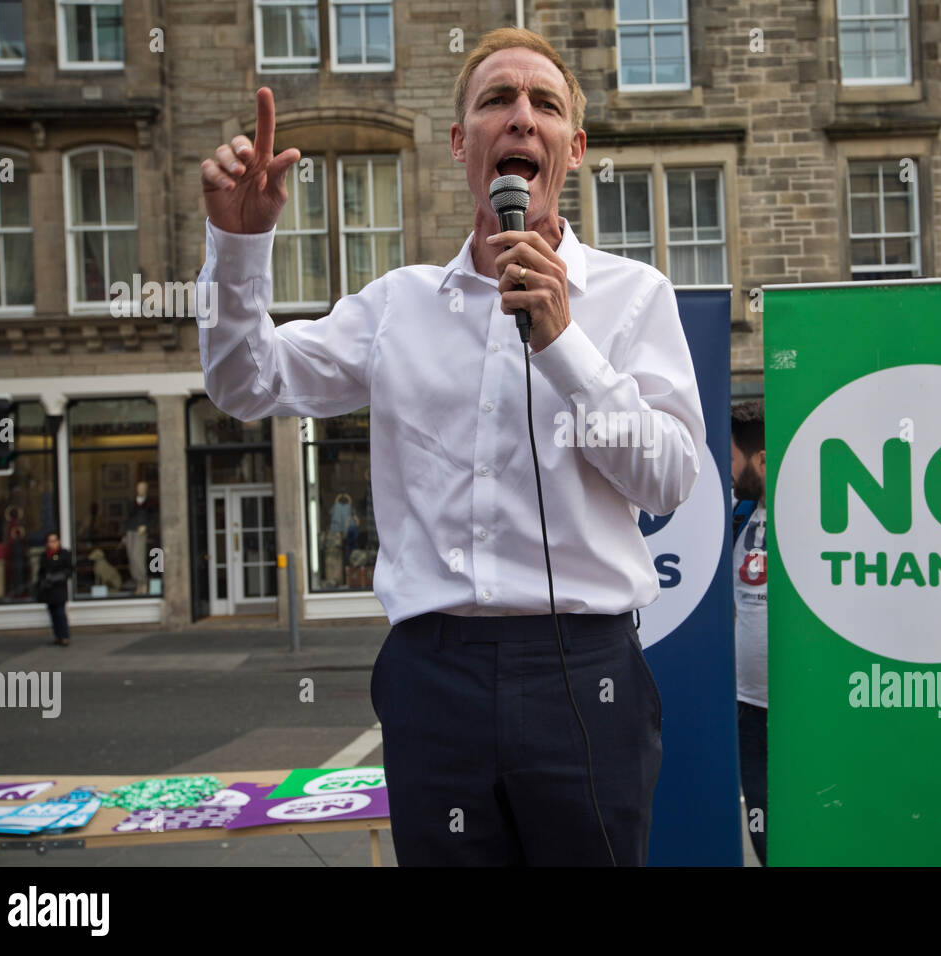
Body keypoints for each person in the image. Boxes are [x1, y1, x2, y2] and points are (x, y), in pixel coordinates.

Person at [196, 28, 704, 866]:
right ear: (462, 142)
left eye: (544, 104)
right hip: (435, 675)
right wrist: (239, 248)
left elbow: (671, 478)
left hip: (585, 668)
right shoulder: (399, 306)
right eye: (496, 101)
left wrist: (566, 344)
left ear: (573, 148)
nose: (521, 119)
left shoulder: (634, 297)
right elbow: (247, 383)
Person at [731, 399, 767, 866]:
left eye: (735, 459)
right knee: (765, 835)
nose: (730, 469)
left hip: (806, 711)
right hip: (748, 711)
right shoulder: (739, 515)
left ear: (762, 460)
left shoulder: (820, 513)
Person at [36, 532, 72, 647]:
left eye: (54, 540)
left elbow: (69, 570)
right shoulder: (44, 555)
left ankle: (65, 636)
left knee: (60, 613)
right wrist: (43, 581)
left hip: (59, 587)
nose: (52, 543)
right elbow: (41, 571)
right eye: (50, 541)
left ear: (58, 541)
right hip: (48, 589)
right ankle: (57, 636)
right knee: (52, 613)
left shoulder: (64, 554)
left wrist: (59, 577)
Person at [123, 481, 154, 592]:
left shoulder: (150, 503)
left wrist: (146, 526)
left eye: (142, 488)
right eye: (139, 488)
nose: (140, 490)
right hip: (130, 531)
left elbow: (153, 517)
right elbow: (127, 518)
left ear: (146, 489)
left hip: (140, 532)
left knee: (138, 557)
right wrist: (124, 534)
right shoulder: (132, 502)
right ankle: (138, 582)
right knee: (131, 557)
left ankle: (143, 581)